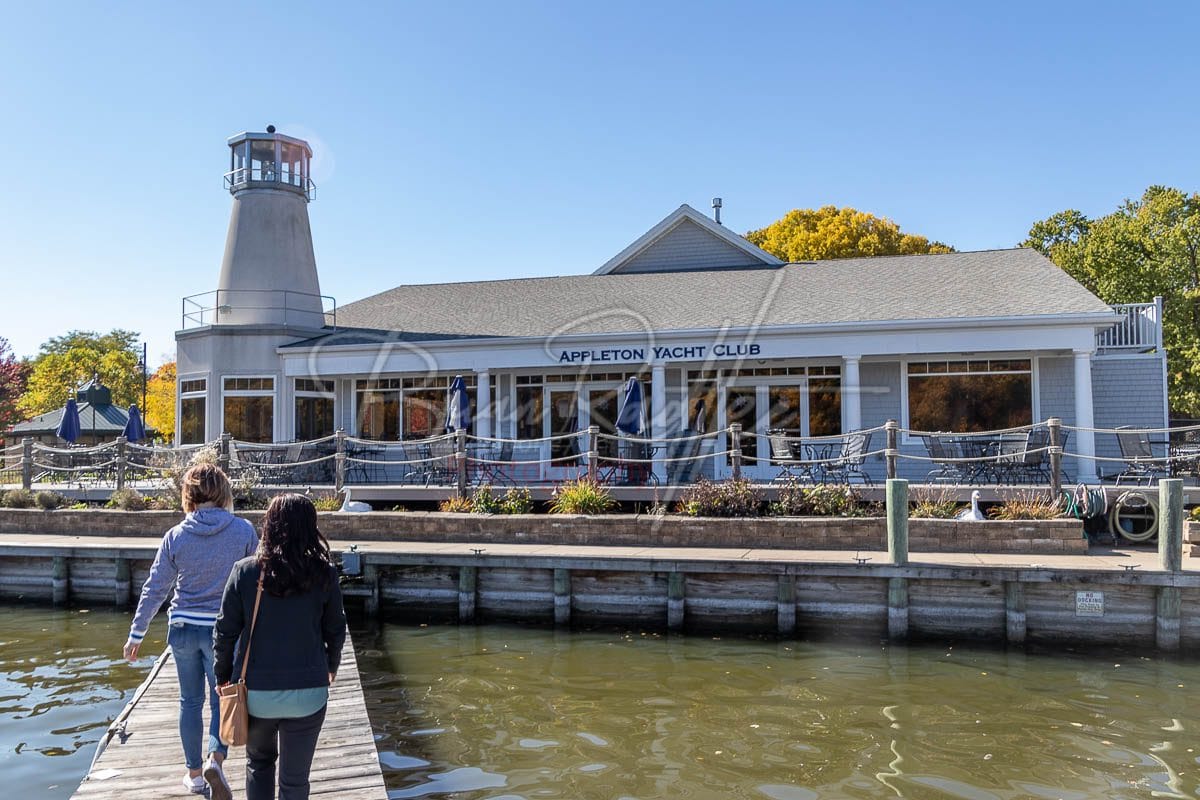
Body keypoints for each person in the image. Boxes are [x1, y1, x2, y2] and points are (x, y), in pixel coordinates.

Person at [123, 462, 258, 796]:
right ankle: (216, 759)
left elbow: (155, 587)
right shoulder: (243, 531)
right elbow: (258, 584)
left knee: (189, 701)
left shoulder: (176, 535)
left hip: (183, 627)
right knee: (221, 699)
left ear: (189, 495)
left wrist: (136, 634)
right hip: (222, 631)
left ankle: (195, 775)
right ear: (223, 492)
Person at [214, 494, 346, 800]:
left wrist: (222, 676)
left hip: (256, 693)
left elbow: (224, 632)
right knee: (295, 781)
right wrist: (331, 666)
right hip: (309, 693)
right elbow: (336, 629)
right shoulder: (324, 573)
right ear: (311, 527)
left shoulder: (245, 571)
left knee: (259, 764)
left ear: (270, 525)